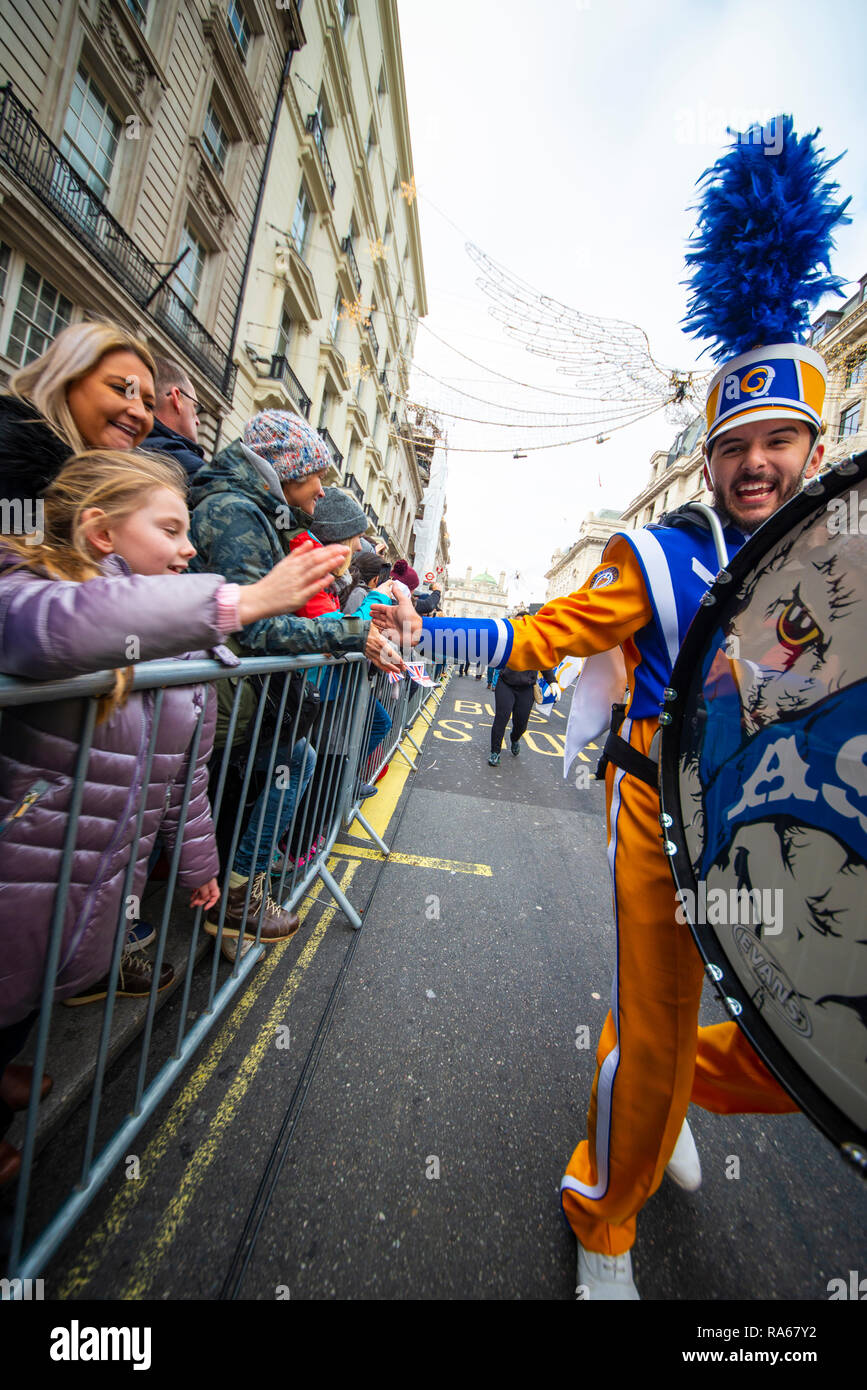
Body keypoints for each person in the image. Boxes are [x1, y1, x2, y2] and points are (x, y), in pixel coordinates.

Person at [374, 119, 845, 1299]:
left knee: (817, 1048)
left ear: (814, 446)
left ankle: (664, 1072)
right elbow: (543, 631)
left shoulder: (849, 565)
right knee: (655, 1041)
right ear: (707, 461)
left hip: (793, 833)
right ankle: (604, 1219)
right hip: (666, 830)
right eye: (735, 444)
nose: (755, 464)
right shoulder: (657, 557)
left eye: (778, 440)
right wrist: (423, 628)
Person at [0, 449, 345, 1184]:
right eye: (171, 530)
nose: (192, 550)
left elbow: (184, 778)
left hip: (88, 888)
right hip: (19, 880)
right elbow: (59, 628)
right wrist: (237, 602)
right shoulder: (27, 585)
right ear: (99, 531)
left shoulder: (185, 638)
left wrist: (200, 868)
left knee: (23, 1013)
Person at [188, 411, 404, 914]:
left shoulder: (261, 512)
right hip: (213, 699)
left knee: (273, 773)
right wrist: (350, 631)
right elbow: (256, 627)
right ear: (286, 469)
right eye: (317, 477)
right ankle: (235, 897)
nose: (322, 493)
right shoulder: (236, 513)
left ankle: (236, 891)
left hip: (230, 698)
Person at [0, 320, 157, 506]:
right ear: (66, 382)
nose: (139, 412)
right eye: (120, 389)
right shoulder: (12, 463)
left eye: (149, 405)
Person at [487, 614, 556, 765]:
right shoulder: (507, 641)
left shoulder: (536, 643)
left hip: (526, 688)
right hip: (506, 684)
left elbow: (544, 663)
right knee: (501, 717)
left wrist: (553, 682)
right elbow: (492, 650)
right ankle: (495, 752)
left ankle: (515, 738)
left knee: (521, 723)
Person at [142, 356, 206, 480]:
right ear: (177, 398)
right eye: (194, 407)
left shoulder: (122, 448)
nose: (198, 421)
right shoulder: (190, 469)